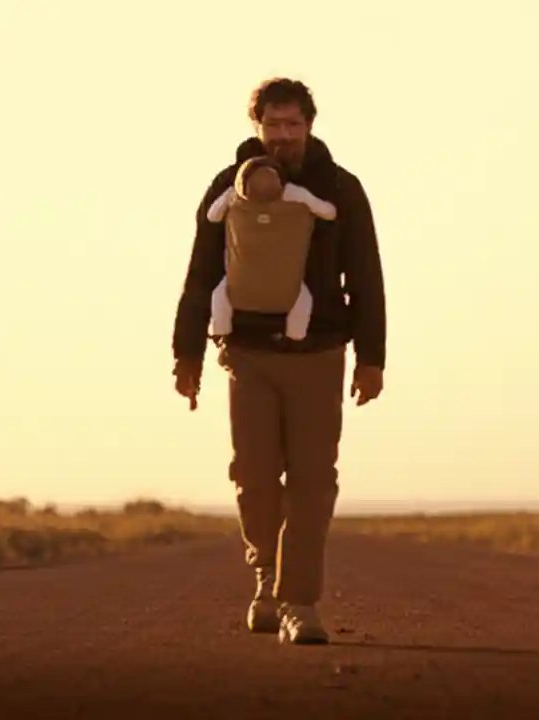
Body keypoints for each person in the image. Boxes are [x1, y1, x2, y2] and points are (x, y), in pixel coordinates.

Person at [171, 77, 386, 645]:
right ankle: (265, 577)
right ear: (258, 127)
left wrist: (372, 358)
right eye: (274, 124)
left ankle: (299, 603)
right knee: (254, 476)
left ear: (310, 125)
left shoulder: (341, 188)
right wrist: (186, 353)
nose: (284, 135)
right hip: (247, 351)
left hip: (319, 352)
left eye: (294, 124)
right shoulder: (229, 188)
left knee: (314, 481)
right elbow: (201, 273)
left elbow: (366, 274)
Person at [206, 153, 337, 342]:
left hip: (241, 283)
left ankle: (221, 329)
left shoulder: (232, 195)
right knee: (303, 298)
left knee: (220, 294)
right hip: (285, 283)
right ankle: (296, 335)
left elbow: (212, 216)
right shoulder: (294, 194)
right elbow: (328, 212)